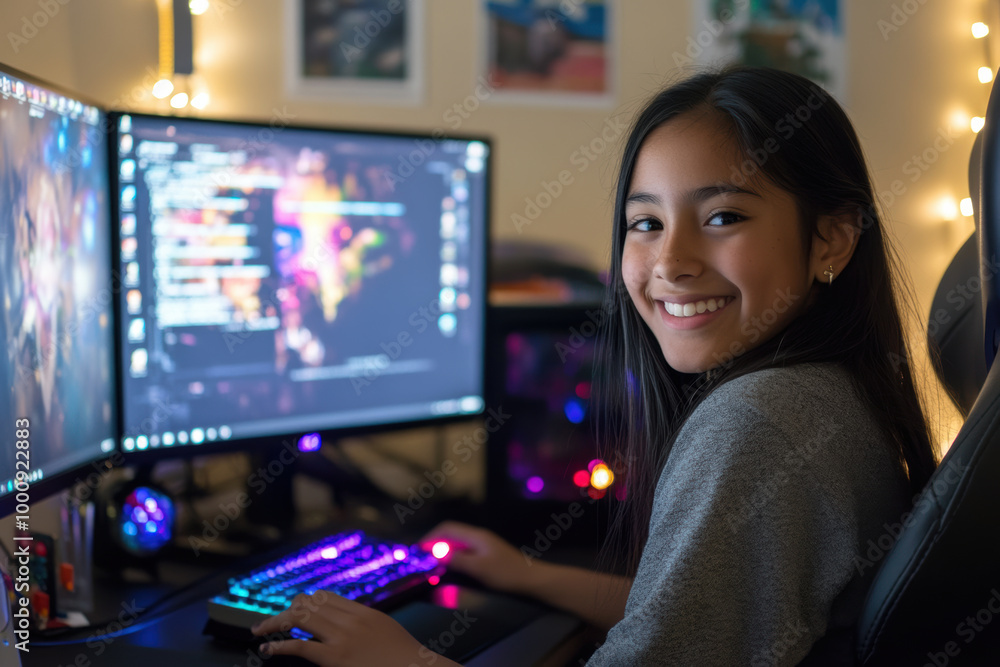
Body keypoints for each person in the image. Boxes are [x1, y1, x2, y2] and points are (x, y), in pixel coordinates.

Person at [251, 66, 939, 666]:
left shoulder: (757, 422)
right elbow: (686, 622)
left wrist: (403, 660)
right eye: (646, 223)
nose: (672, 262)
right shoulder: (833, 392)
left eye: (724, 215)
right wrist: (528, 573)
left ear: (833, 238)